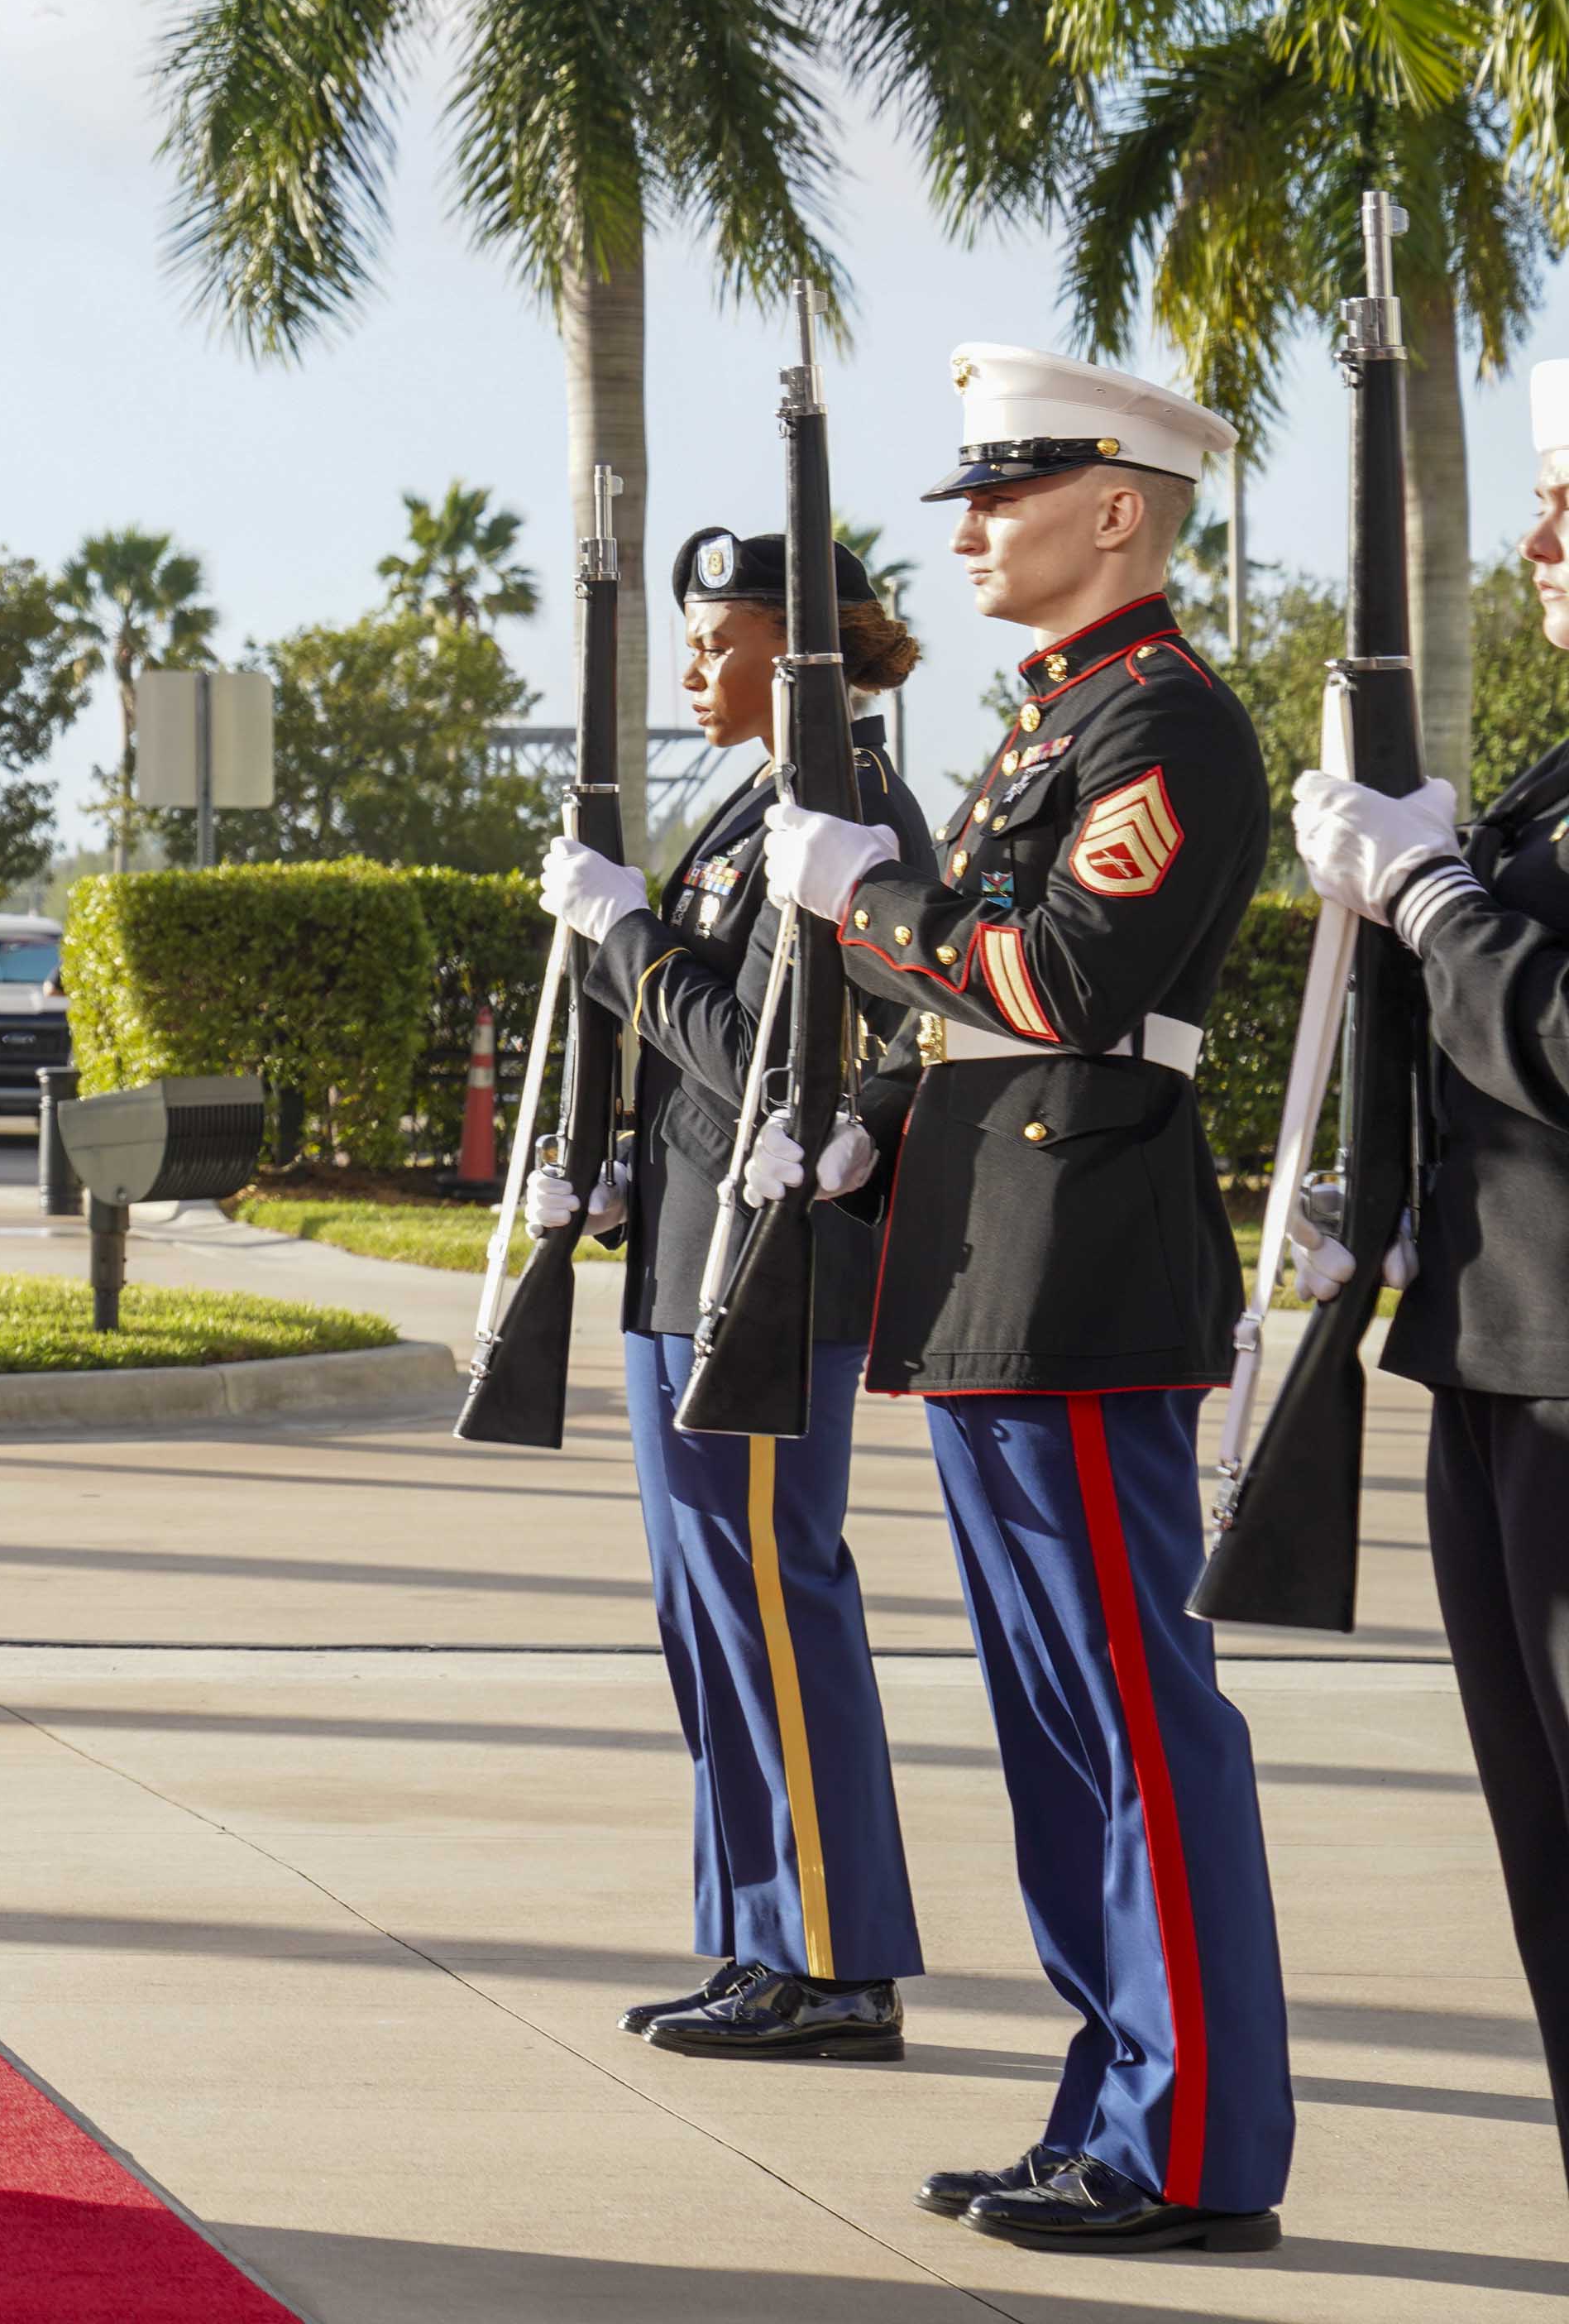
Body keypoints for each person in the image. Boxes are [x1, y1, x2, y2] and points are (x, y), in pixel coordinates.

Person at [758, 346, 1292, 2255]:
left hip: (1084, 1267)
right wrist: (868, 1121)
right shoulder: (1058, 721)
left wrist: (867, 902)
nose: (972, 525)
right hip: (997, 1262)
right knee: (1061, 1721)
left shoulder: (1168, 724)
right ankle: (1112, 2102)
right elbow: (982, 1002)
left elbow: (1062, 976)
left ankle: (1199, 2138)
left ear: (1122, 508)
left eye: (1008, 492)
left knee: (1140, 1719)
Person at [537, 525, 933, 2062]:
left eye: (721, 638)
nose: (696, 668)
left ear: (804, 650)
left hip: (770, 1278)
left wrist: (622, 932)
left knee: (775, 1601)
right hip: (689, 1259)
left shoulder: (848, 812)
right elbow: (704, 1074)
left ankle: (839, 1964)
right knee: (708, 1617)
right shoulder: (755, 806)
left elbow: (773, 1050)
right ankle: (767, 1937)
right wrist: (625, 1165)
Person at [1284, 357, 1569, 2193]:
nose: (1541, 539)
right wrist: (1396, 1207)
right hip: (1494, 1353)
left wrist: (1438, 901)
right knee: (1544, 1864)